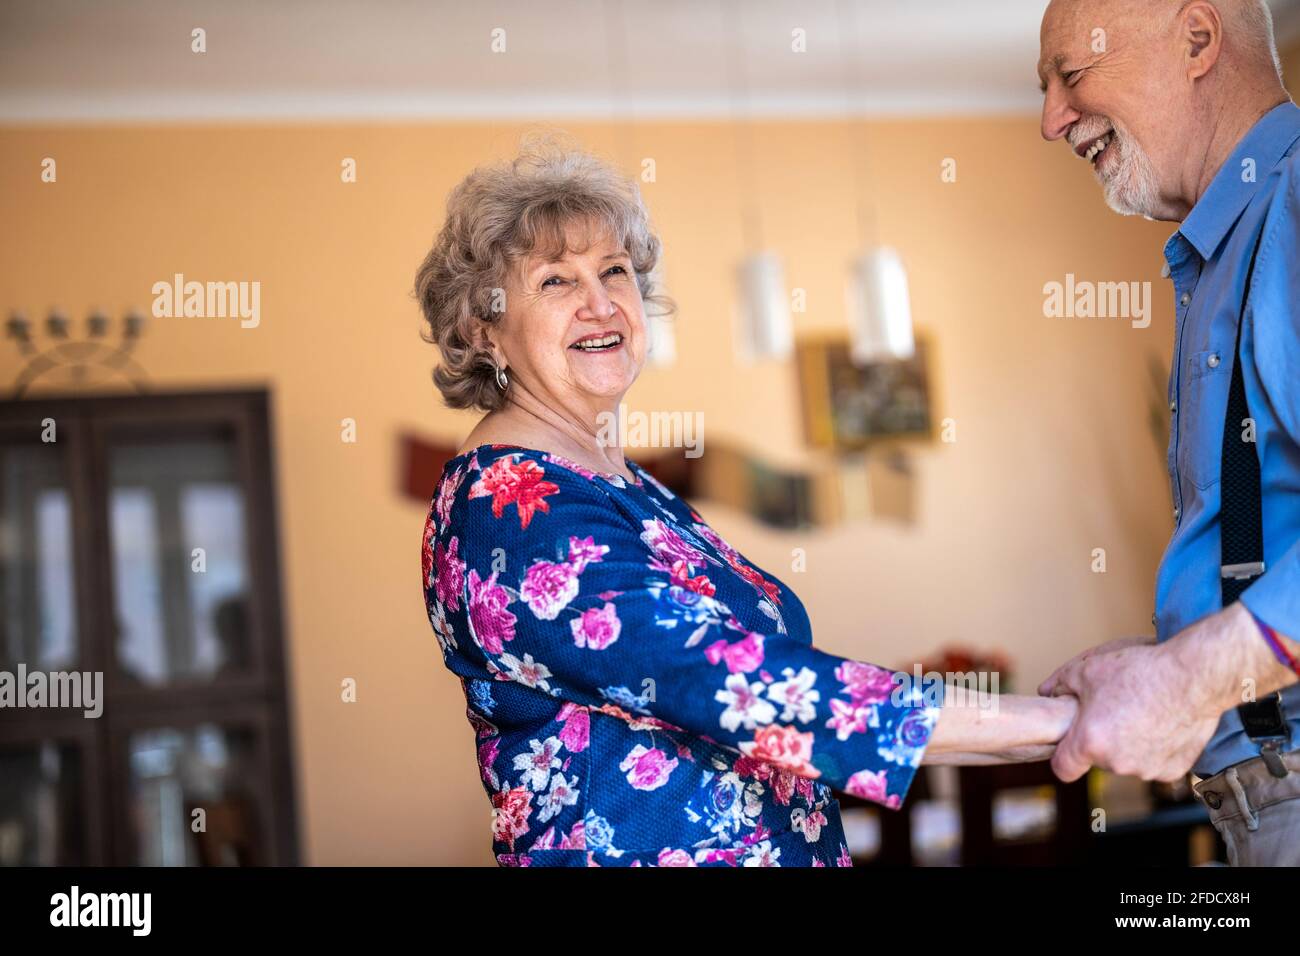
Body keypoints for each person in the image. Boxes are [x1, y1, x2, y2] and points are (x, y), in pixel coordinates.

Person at [415, 143, 1076, 866]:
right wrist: (1056, 720)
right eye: (554, 282)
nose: (600, 302)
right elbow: (738, 684)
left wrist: (1064, 731)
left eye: (614, 271)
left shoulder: (627, 488)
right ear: (485, 329)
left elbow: (787, 710)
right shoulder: (505, 506)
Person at [1037, 0, 1300, 864]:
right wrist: (1163, 665)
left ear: (1196, 40)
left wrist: (1187, 681)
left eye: (1071, 76)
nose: (1050, 122)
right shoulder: (1222, 251)